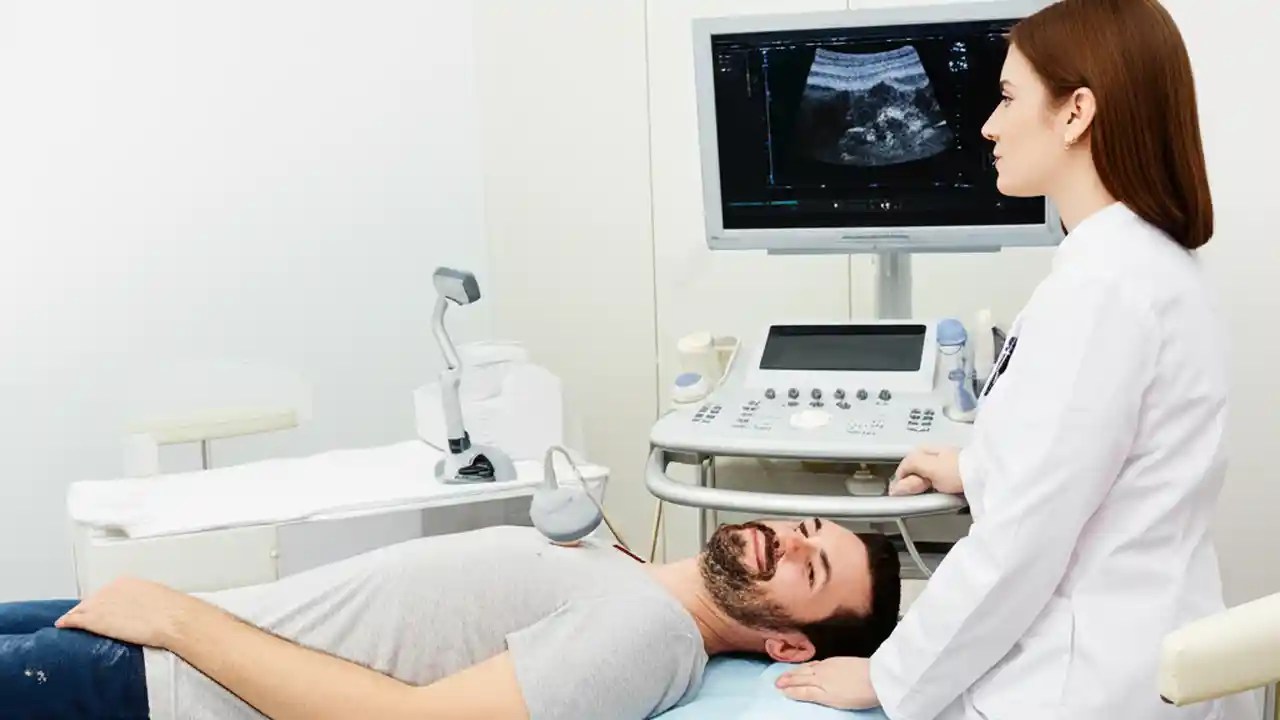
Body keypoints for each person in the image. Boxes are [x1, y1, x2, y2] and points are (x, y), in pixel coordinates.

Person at [775, 1, 1259, 718]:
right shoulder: (1152, 266)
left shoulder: (1101, 291)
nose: (988, 127)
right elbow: (1103, 466)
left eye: (1006, 98)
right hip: (1147, 650)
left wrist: (887, 675)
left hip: (1086, 685)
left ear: (1076, 114)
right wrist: (975, 468)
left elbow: (1020, 544)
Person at [2, 517, 900, 719]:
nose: (787, 541)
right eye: (804, 528)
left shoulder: (649, 638)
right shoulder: (628, 571)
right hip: (165, 631)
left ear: (787, 644)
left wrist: (175, 624)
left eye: (810, 568)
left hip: (155, 679)